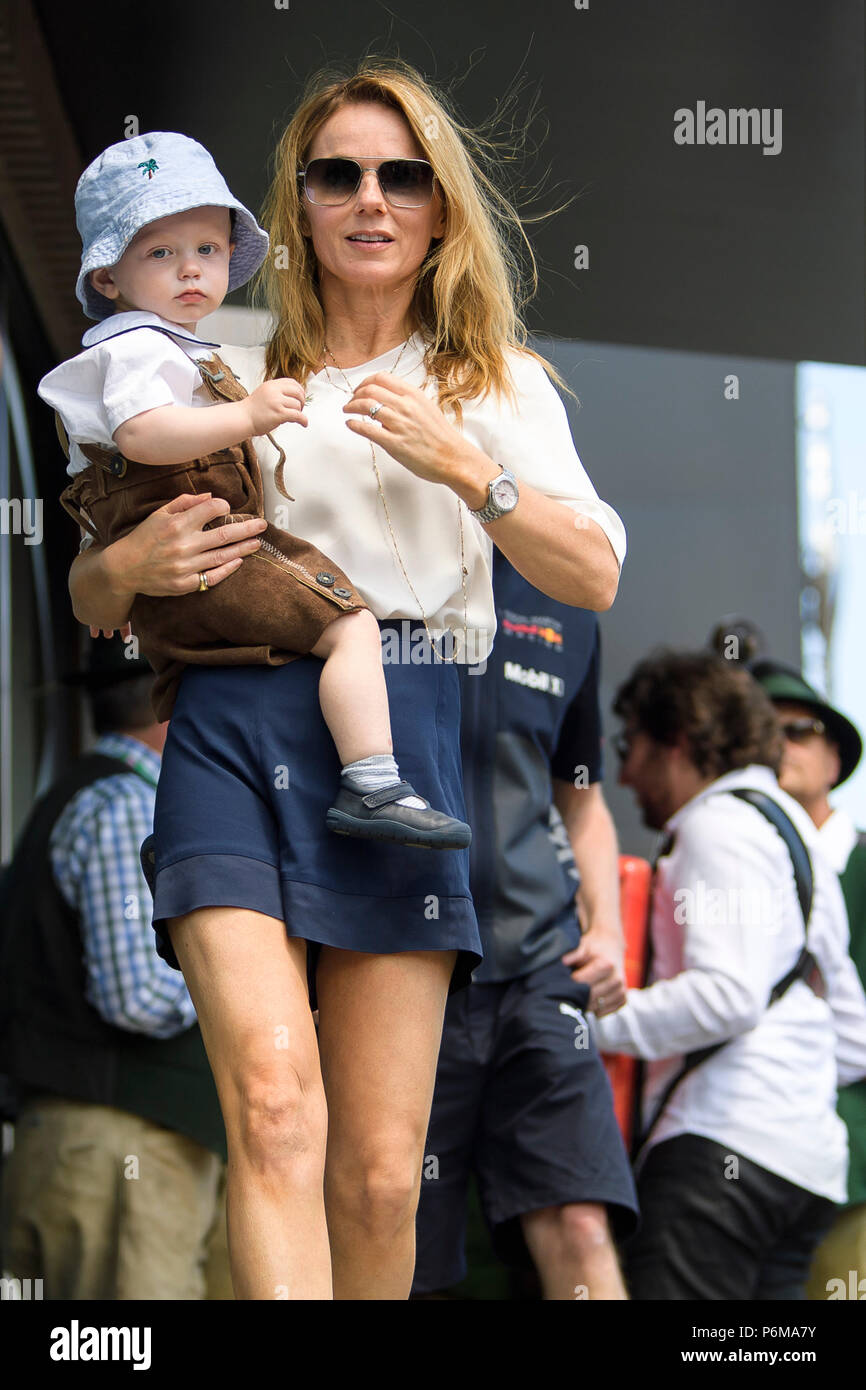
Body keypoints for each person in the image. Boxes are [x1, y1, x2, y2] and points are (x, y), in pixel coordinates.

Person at [65, 58, 626, 1300]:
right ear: (299, 203)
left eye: (400, 175)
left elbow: (591, 572)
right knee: (272, 1103)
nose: (369, 199)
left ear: (438, 207)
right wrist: (125, 567)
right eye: (337, 175)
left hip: (402, 728)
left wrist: (468, 469)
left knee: (380, 1173)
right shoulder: (211, 356)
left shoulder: (496, 381)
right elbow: (91, 592)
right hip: (224, 717)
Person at [39, 131, 468, 851]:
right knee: (349, 624)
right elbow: (145, 438)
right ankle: (373, 781)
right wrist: (247, 414)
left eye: (206, 250)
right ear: (107, 277)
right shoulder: (139, 347)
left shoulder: (168, 348)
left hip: (182, 568)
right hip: (210, 543)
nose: (190, 271)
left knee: (197, 681)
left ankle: (189, 822)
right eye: (160, 254)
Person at [592, 648, 866, 1299]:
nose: (625, 774)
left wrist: (594, 1027)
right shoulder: (795, 835)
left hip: (719, 1154)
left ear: (678, 741)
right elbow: (853, 1035)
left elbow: (728, 996)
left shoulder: (717, 825)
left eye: (633, 745)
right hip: (808, 1169)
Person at [412, 548, 639, 1300]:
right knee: (396, 1238)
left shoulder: (570, 598)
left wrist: (606, 930)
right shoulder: (382, 562)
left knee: (580, 1223)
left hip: (541, 967)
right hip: (403, 961)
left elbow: (583, 799)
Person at [0, 635, 230, 1299]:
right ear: (176, 708)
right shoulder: (131, 805)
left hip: (109, 1141)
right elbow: (135, 996)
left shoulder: (89, 792)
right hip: (116, 1144)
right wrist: (252, 986)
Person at [750, 659, 866, 1300]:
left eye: (795, 731)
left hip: (854, 1169)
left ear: (834, 758)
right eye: (757, 732)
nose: (776, 747)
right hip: (741, 1167)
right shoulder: (717, 860)